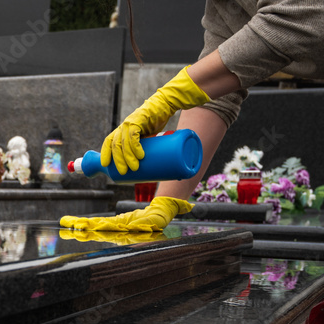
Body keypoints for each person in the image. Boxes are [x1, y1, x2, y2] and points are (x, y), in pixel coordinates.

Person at [62, 0, 324, 233]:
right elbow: (215, 96)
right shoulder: (222, 7)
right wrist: (163, 205)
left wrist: (168, 97)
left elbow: (302, 15)